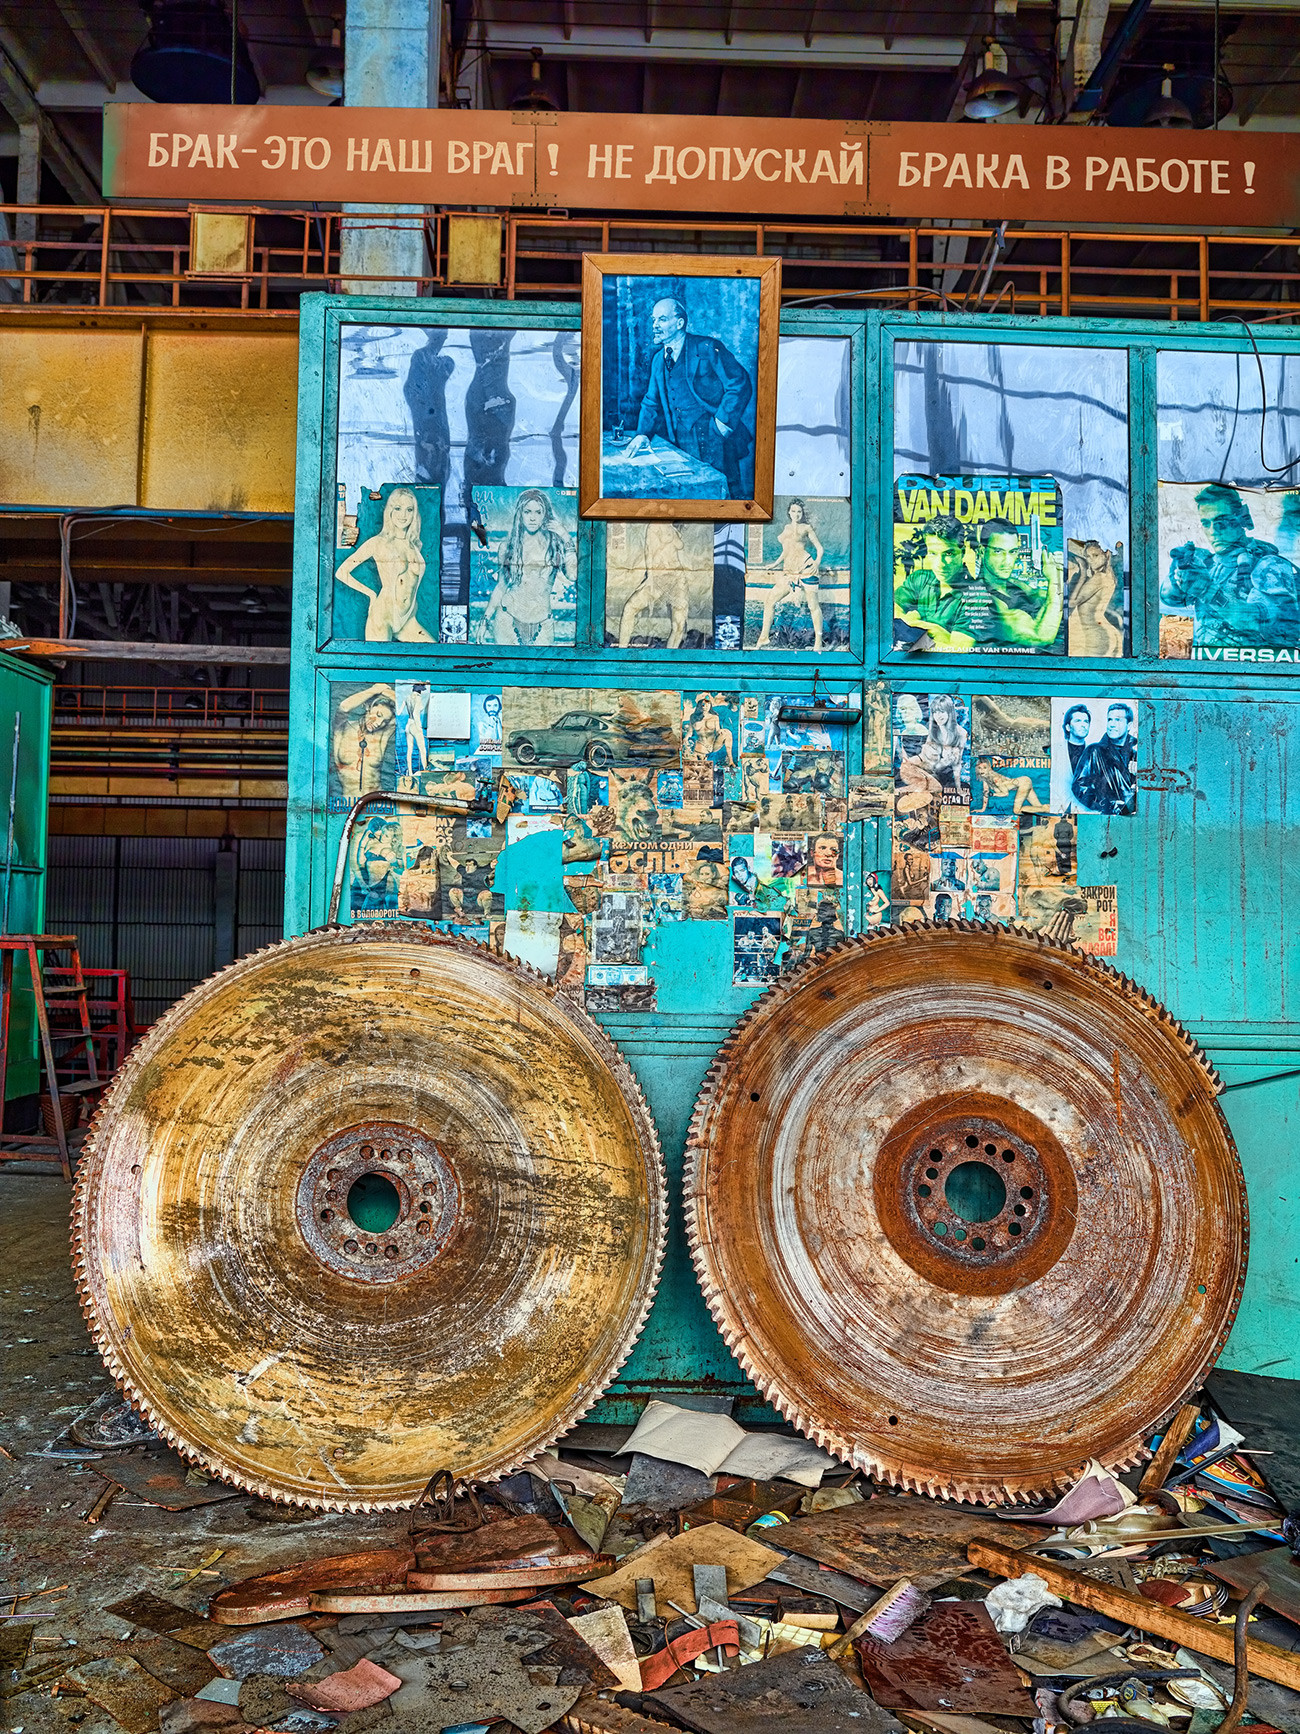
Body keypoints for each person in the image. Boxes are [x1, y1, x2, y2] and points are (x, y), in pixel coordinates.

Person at [623, 296, 753, 498]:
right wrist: (642, 434)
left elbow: (740, 383)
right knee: (691, 493)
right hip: (680, 442)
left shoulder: (707, 348)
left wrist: (721, 425)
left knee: (725, 493)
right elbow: (651, 401)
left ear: (680, 323)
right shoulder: (659, 360)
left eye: (662, 319)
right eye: (654, 320)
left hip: (715, 437)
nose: (655, 325)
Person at [1164, 483, 1300, 649]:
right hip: (1205, 668)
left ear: (1241, 519)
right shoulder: (1207, 564)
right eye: (1206, 523)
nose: (1214, 530)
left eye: (1222, 521)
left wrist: (1207, 590)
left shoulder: (1268, 565)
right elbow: (1170, 599)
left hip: (1251, 669)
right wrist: (1179, 571)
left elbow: (1267, 622)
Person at [477, 489, 575, 647]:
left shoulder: (555, 546)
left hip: (543, 622)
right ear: (520, 514)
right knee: (506, 670)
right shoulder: (508, 547)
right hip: (507, 618)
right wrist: (484, 621)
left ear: (545, 515)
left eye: (538, 512)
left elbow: (573, 575)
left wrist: (565, 536)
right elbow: (501, 586)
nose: (532, 517)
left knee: (543, 671)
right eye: (527, 511)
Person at [335, 487, 433, 643]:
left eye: (409, 510)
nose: (403, 515)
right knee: (376, 664)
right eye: (398, 508)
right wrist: (371, 594)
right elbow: (342, 572)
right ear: (390, 511)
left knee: (434, 657)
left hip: (408, 620)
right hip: (383, 616)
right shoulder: (378, 542)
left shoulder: (415, 547)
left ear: (414, 514)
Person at [975, 519, 1065, 650]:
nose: (1007, 561)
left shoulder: (1013, 583)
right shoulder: (985, 599)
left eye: (1012, 552)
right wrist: (1054, 579)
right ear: (982, 551)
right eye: (998, 552)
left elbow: (1042, 597)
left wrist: (1059, 569)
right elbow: (1042, 636)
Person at [755, 499, 825, 652]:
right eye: (793, 511)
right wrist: (775, 564)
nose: (796, 514)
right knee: (770, 600)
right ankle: (764, 637)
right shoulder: (786, 528)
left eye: (799, 511)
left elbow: (819, 548)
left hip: (807, 568)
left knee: (813, 606)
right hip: (789, 572)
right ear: (789, 512)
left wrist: (817, 562)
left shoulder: (806, 528)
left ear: (802, 513)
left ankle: (818, 642)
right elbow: (786, 551)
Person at [618, 522, 694, 649]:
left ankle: (669, 661)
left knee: (679, 625)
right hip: (659, 578)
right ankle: (621, 652)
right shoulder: (654, 527)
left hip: (677, 578)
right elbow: (649, 552)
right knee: (629, 609)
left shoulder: (673, 529)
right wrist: (651, 578)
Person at [331, 683, 397, 802]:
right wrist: (374, 690)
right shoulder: (343, 727)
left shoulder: (382, 734)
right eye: (378, 715)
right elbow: (344, 707)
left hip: (377, 805)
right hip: (348, 804)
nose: (378, 723)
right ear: (368, 707)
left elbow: (406, 710)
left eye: (384, 721)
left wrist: (385, 691)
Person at [1071, 701, 1137, 816]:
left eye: (1118, 720)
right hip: (1106, 820)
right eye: (1110, 719)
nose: (1112, 724)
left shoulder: (1137, 756)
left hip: (1134, 821)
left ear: (1129, 725)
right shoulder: (1094, 751)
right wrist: (1108, 805)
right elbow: (1079, 786)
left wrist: (1140, 776)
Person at [973, 754, 1048, 815]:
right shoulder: (986, 778)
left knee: (1017, 811)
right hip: (1024, 782)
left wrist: (993, 795)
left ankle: (1047, 808)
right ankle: (1050, 808)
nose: (981, 770)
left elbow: (1005, 793)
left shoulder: (995, 779)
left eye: (984, 767)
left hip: (1024, 783)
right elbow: (985, 793)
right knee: (1039, 807)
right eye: (979, 768)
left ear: (989, 768)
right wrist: (982, 809)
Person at [685, 694, 735, 766]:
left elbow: (718, 730)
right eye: (703, 705)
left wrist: (721, 731)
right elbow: (690, 732)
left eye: (708, 704)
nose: (705, 707)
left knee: (727, 733)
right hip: (700, 746)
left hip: (713, 745)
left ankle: (730, 760)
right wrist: (686, 738)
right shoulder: (693, 717)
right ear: (699, 705)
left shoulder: (714, 717)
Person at [1060, 703, 1092, 775]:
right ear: (1068, 727)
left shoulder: (1094, 752)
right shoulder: (1056, 750)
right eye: (1078, 721)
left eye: (1086, 721)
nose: (1083, 725)